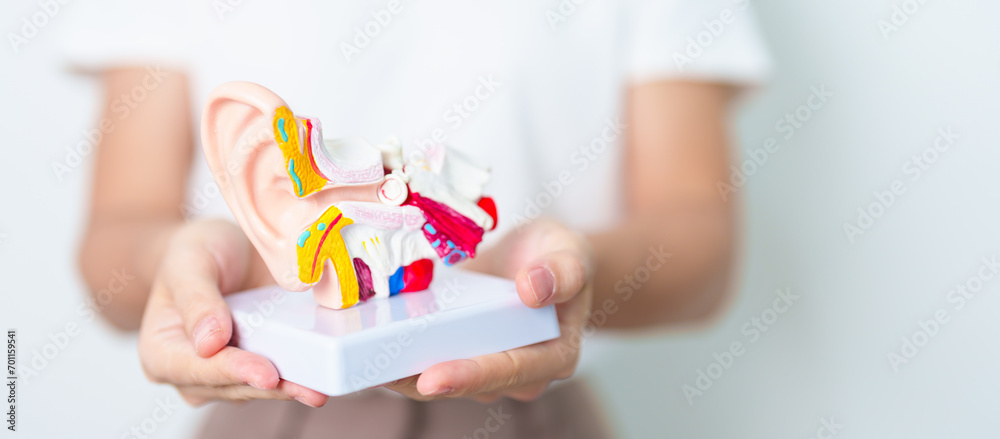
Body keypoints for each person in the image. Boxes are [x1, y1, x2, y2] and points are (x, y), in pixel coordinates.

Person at [70, 1, 769, 437]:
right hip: (269, 411)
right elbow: (116, 235)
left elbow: (700, 244)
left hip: (531, 415)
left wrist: (566, 271)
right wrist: (183, 263)